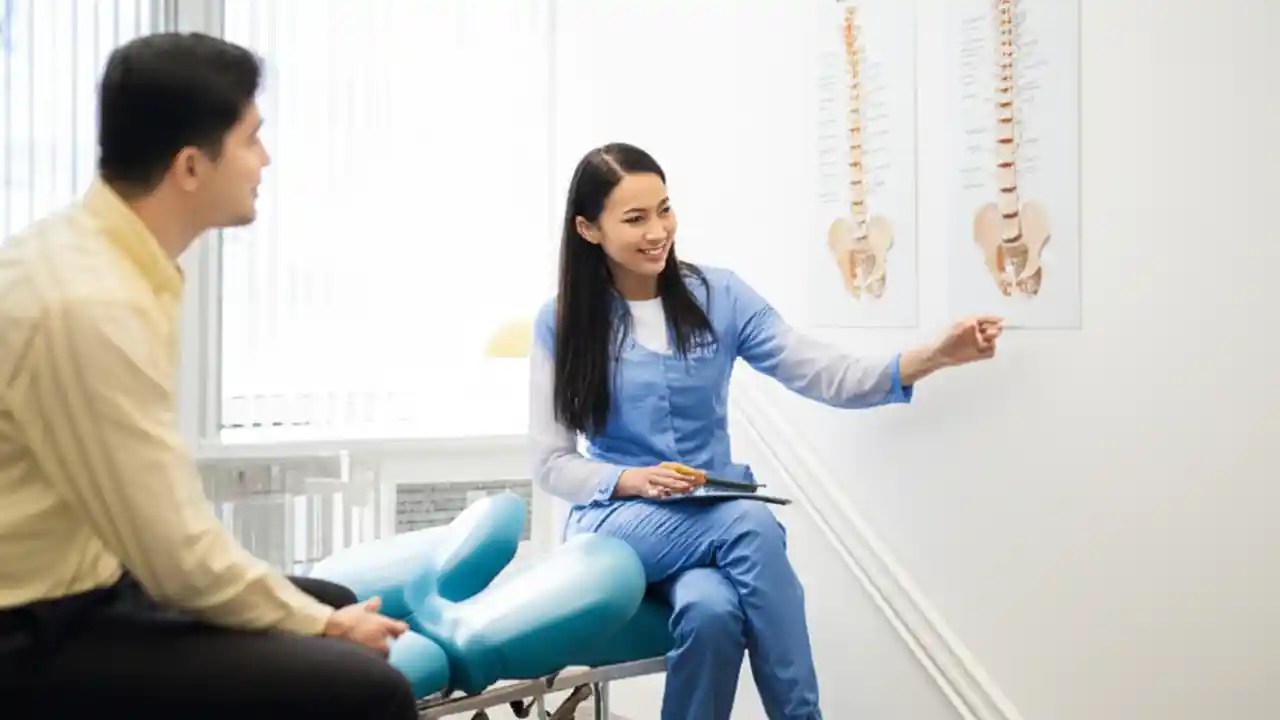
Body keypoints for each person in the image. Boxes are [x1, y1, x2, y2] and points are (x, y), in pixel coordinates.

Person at [0, 33, 416, 718]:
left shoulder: (101, 259)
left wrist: (323, 617)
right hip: (30, 631)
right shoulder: (87, 303)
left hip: (90, 587)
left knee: (333, 603)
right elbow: (175, 555)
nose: (265, 159)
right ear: (191, 166)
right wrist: (324, 627)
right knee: (371, 690)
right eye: (251, 138)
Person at [529, 142, 1003, 720]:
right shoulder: (560, 321)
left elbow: (822, 371)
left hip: (709, 509)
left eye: (664, 209)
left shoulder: (721, 296)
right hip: (618, 519)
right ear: (588, 229)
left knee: (712, 613)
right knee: (750, 522)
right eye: (635, 218)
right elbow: (551, 463)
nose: (658, 231)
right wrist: (632, 479)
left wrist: (934, 356)